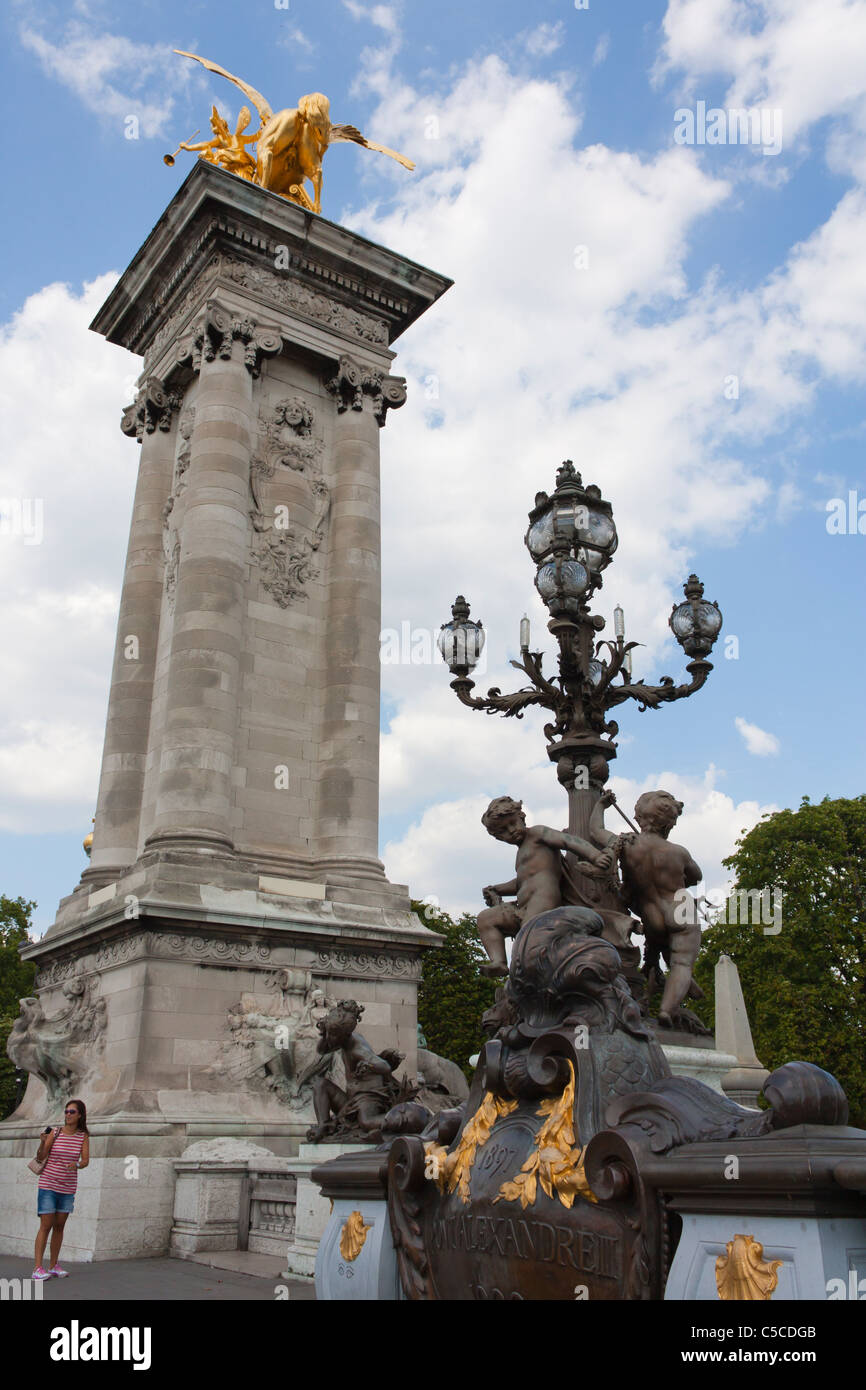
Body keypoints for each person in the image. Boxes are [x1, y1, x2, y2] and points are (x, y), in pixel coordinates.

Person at [476, 796, 614, 976]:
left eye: (512, 823)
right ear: (499, 838)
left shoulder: (537, 834)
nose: (511, 830)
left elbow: (568, 841)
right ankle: (500, 962)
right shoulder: (520, 854)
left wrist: (595, 856)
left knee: (527, 940)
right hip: (522, 906)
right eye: (503, 830)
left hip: (543, 900)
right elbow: (521, 882)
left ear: (522, 817)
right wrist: (497, 889)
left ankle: (536, 975)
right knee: (486, 918)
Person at [32, 1097, 89, 1280]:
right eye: (66, 1111)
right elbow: (41, 1156)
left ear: (80, 1115)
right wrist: (42, 1141)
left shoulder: (82, 1136)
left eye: (72, 1112)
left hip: (68, 1186)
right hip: (48, 1184)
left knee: (59, 1226)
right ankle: (38, 1267)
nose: (68, 1115)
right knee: (45, 1225)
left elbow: (86, 1160)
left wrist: (78, 1165)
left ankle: (53, 1265)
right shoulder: (55, 1132)